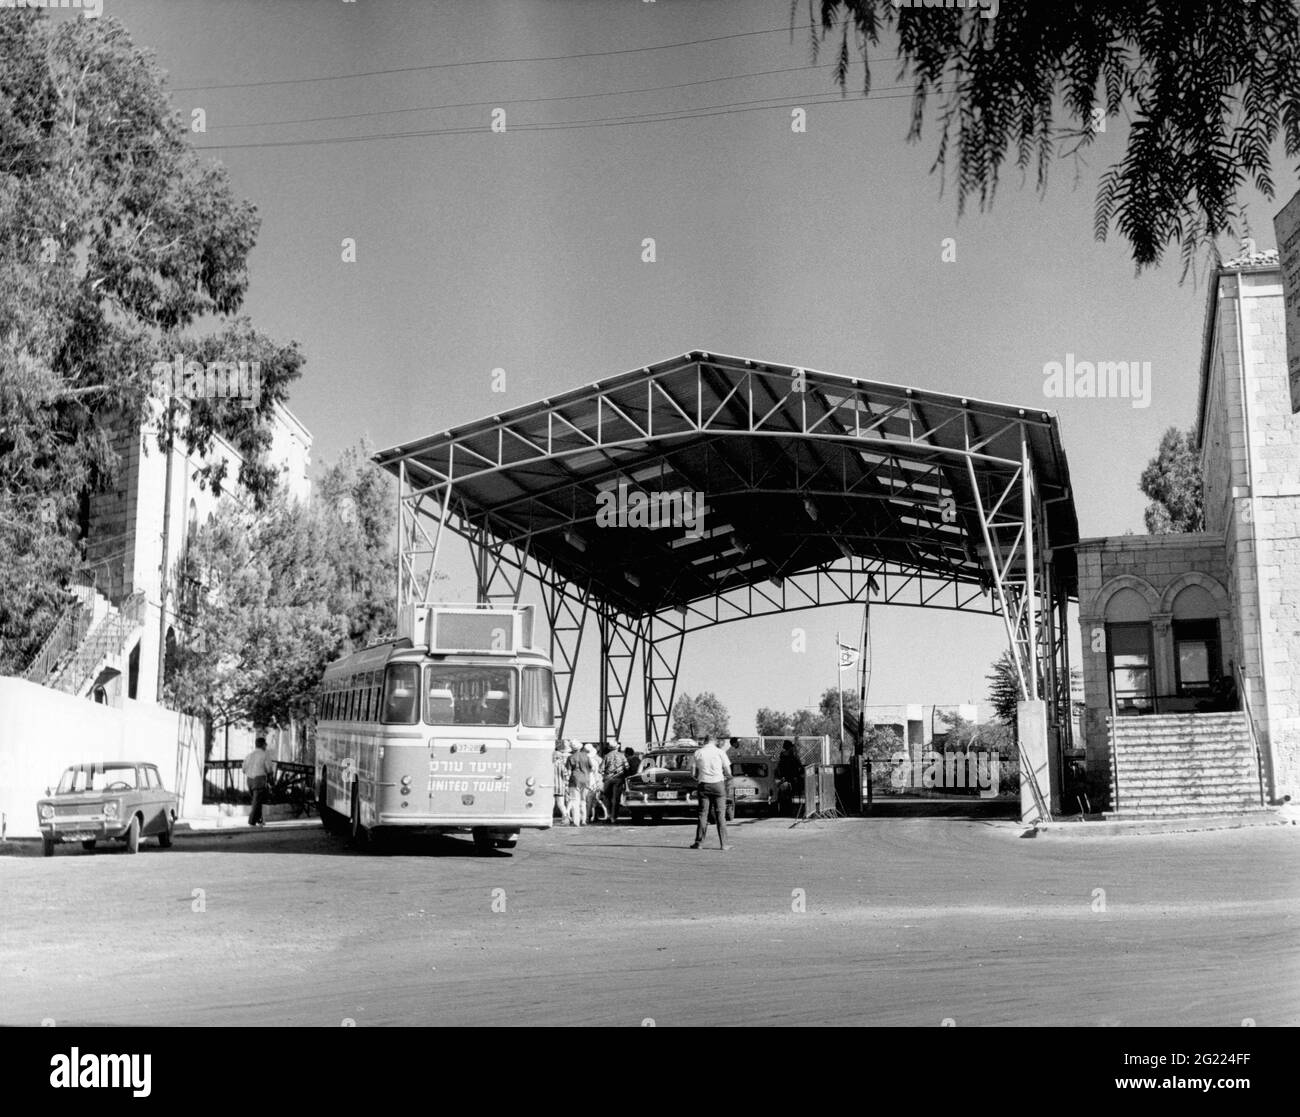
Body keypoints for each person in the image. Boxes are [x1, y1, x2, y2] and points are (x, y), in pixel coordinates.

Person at [690, 737, 732, 850]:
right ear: (714, 741)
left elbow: (692, 773)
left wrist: (699, 778)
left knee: (703, 814)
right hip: (718, 785)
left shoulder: (698, 752)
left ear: (705, 741)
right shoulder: (720, 752)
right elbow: (729, 772)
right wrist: (725, 776)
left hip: (703, 785)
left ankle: (699, 843)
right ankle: (724, 844)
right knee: (720, 815)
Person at [243, 737, 275, 828]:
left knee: (257, 800)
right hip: (259, 779)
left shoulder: (249, 755)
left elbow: (243, 769)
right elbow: (269, 768)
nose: (266, 746)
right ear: (263, 745)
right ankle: (251, 821)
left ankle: (259, 820)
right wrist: (270, 777)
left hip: (249, 780)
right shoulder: (265, 755)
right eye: (265, 744)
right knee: (256, 801)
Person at [564, 742, 592, 826]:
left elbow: (568, 771)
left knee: (575, 801)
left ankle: (576, 821)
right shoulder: (586, 756)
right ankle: (583, 820)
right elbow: (592, 768)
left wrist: (566, 782)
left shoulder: (570, 757)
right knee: (583, 801)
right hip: (586, 780)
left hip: (574, 780)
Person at [601, 740, 628, 823]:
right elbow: (627, 767)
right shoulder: (622, 756)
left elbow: (601, 769)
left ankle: (609, 815)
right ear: (617, 747)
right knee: (616, 799)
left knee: (607, 798)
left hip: (608, 779)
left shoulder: (606, 756)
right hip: (618, 779)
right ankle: (614, 817)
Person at [776, 739, 802, 817]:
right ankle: (789, 811)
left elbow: (779, 768)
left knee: (785, 796)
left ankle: (784, 811)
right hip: (791, 779)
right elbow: (798, 766)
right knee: (788, 795)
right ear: (790, 747)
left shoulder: (781, 756)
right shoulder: (792, 756)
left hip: (784, 779)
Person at [553, 740, 569, 820]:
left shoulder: (550, 764)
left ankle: (549, 816)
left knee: (551, 802)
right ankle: (565, 816)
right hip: (560, 786)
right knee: (561, 803)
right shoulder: (561, 765)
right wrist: (566, 784)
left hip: (551, 786)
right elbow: (565, 774)